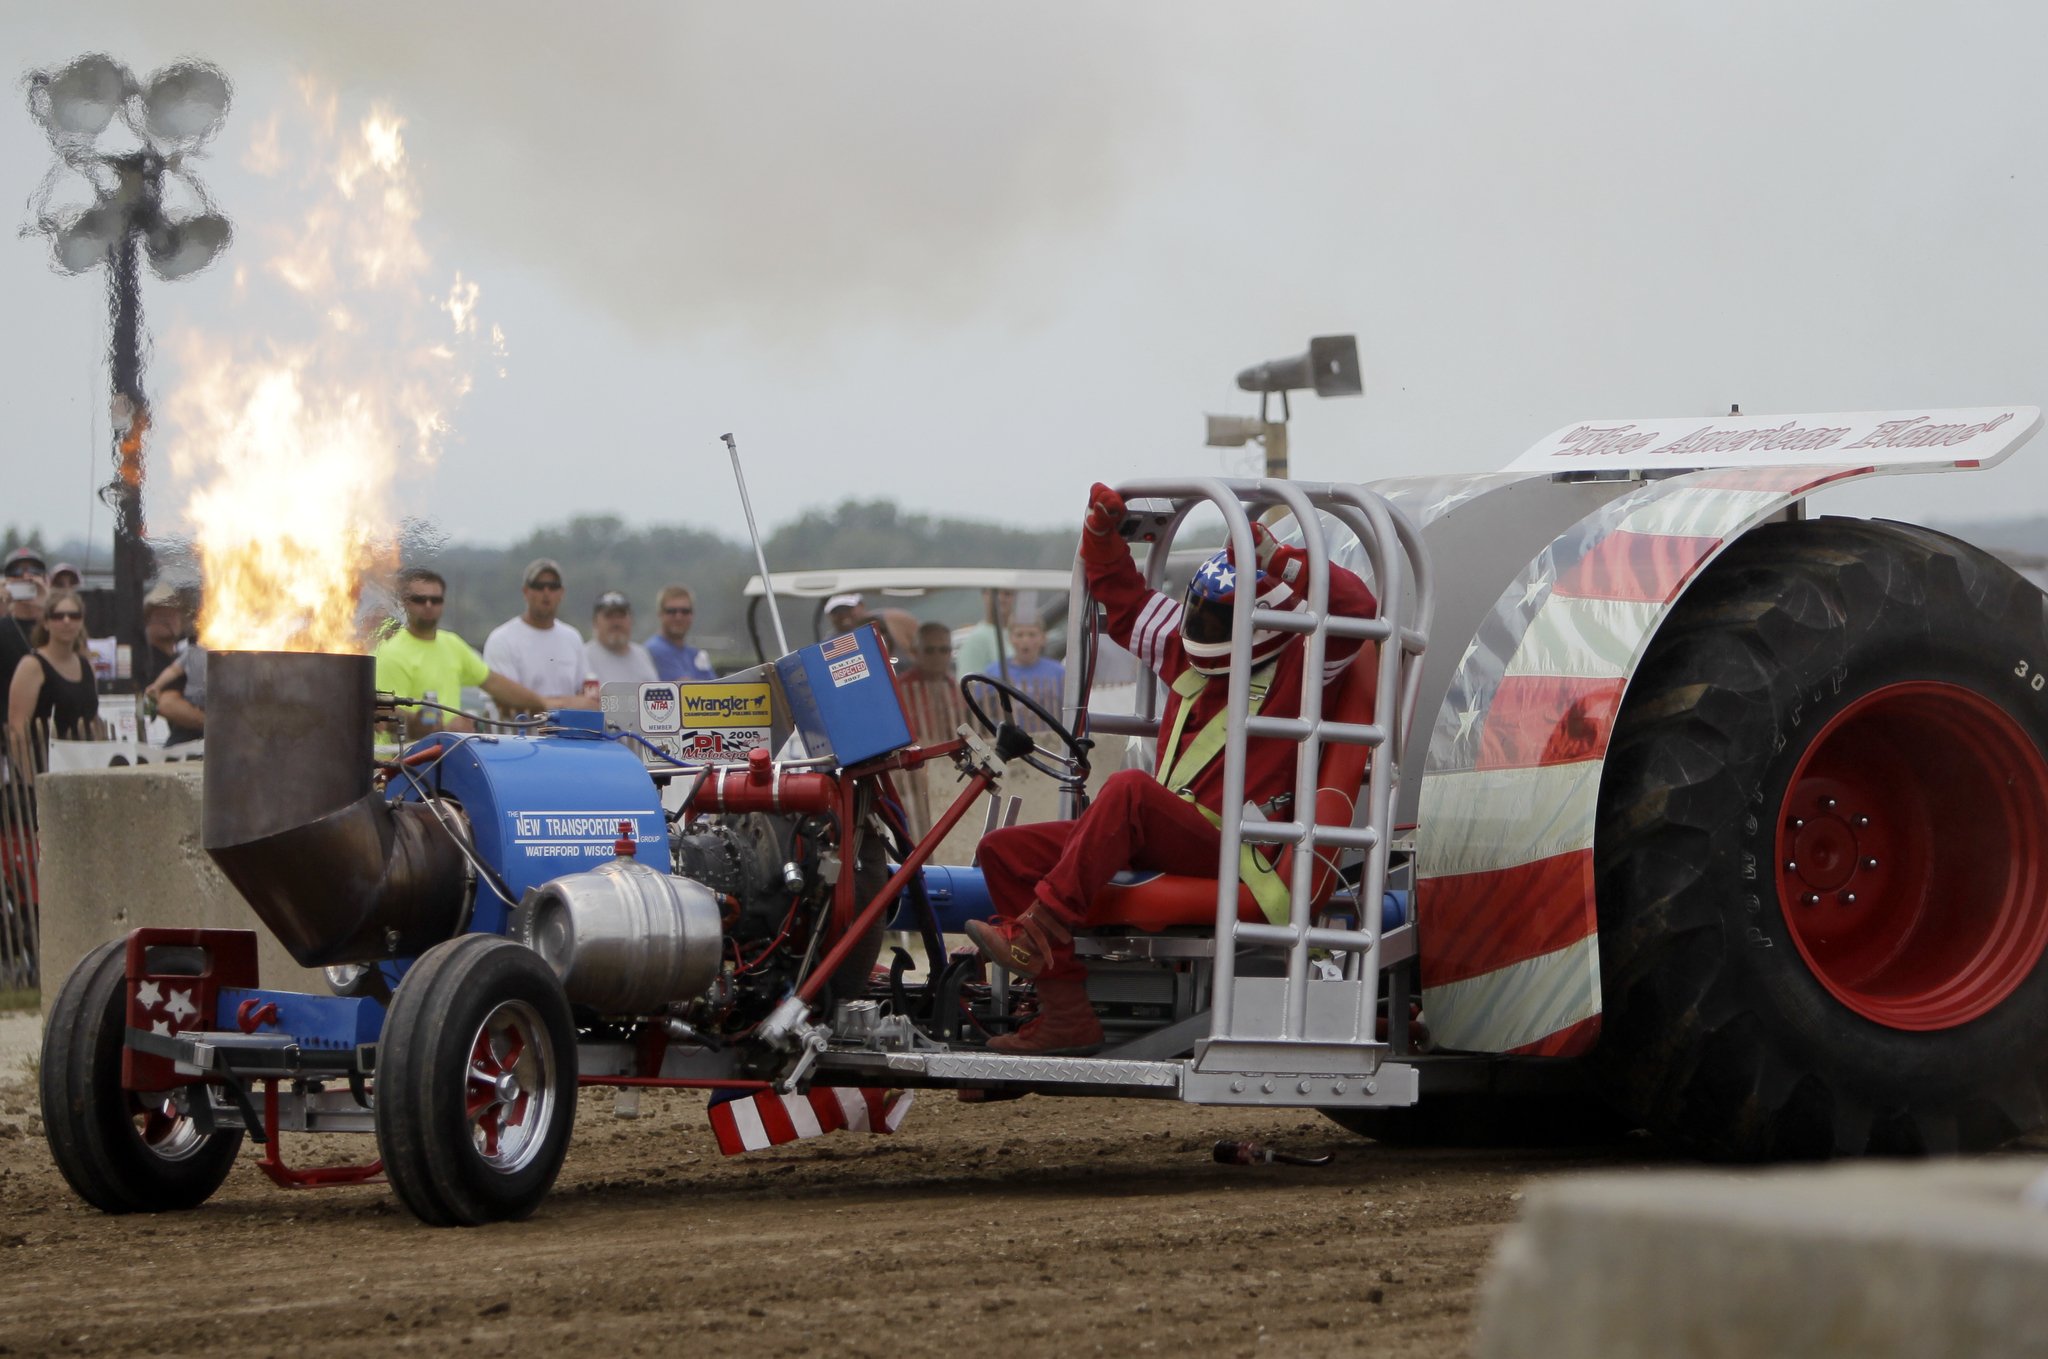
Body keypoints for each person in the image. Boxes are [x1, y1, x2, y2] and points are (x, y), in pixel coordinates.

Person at [962, 485, 1376, 1055]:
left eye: (1217, 617)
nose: (1201, 624)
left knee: (1130, 789)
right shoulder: (1186, 647)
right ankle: (1064, 1013)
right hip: (1167, 831)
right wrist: (1100, 538)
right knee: (1004, 852)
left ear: (1261, 621)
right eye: (1197, 610)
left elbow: (1356, 609)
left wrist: (1273, 555)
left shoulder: (1305, 666)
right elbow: (1126, 600)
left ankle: (1038, 927)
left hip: (1235, 846)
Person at [375, 567, 550, 739]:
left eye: (435, 600)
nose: (428, 605)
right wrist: (445, 730)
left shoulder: (452, 644)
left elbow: (496, 684)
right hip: (401, 761)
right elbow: (384, 715)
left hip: (443, 756)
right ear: (405, 603)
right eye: (420, 599)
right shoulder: (391, 654)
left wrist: (544, 705)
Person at [6, 588, 100, 776]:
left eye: (74, 616)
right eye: (58, 616)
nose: (66, 621)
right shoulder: (32, 666)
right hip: (43, 772)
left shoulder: (87, 666)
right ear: (46, 623)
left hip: (82, 771)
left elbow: (93, 720)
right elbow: (17, 730)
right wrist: (33, 781)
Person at [482, 557, 595, 709]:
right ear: (525, 592)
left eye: (553, 586)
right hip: (520, 732)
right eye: (538, 586)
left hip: (566, 732)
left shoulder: (572, 637)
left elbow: (585, 694)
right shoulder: (502, 639)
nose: (546, 592)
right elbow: (505, 700)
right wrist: (563, 704)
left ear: (561, 592)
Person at [0, 548, 47, 740]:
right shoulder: (4, 624)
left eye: (34, 572)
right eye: (17, 573)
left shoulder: (56, 623)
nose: (27, 577)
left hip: (48, 732)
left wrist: (47, 603)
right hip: (7, 731)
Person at [999, 617, 1065, 728]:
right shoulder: (995, 672)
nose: (1025, 640)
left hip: (1052, 741)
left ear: (1043, 638)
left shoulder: (1059, 672)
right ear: (1010, 638)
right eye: (1019, 635)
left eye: (1032, 634)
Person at [645, 584, 718, 682]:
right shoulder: (654, 650)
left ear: (692, 614)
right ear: (660, 614)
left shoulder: (694, 653)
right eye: (671, 611)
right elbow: (684, 689)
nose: (678, 617)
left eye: (685, 611)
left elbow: (716, 687)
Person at [585, 591, 658, 685]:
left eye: (621, 616)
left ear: (631, 620)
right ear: (595, 622)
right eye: (609, 616)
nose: (616, 622)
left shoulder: (642, 654)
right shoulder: (584, 658)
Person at [954, 588, 1016, 679]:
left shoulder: (1022, 634)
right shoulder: (977, 638)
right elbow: (969, 684)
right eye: (995, 593)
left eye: (1007, 594)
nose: (1001, 598)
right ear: (984, 596)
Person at [137, 583, 188, 692]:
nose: (167, 620)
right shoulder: (144, 662)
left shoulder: (179, 661)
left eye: (173, 614)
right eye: (161, 614)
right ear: (147, 620)